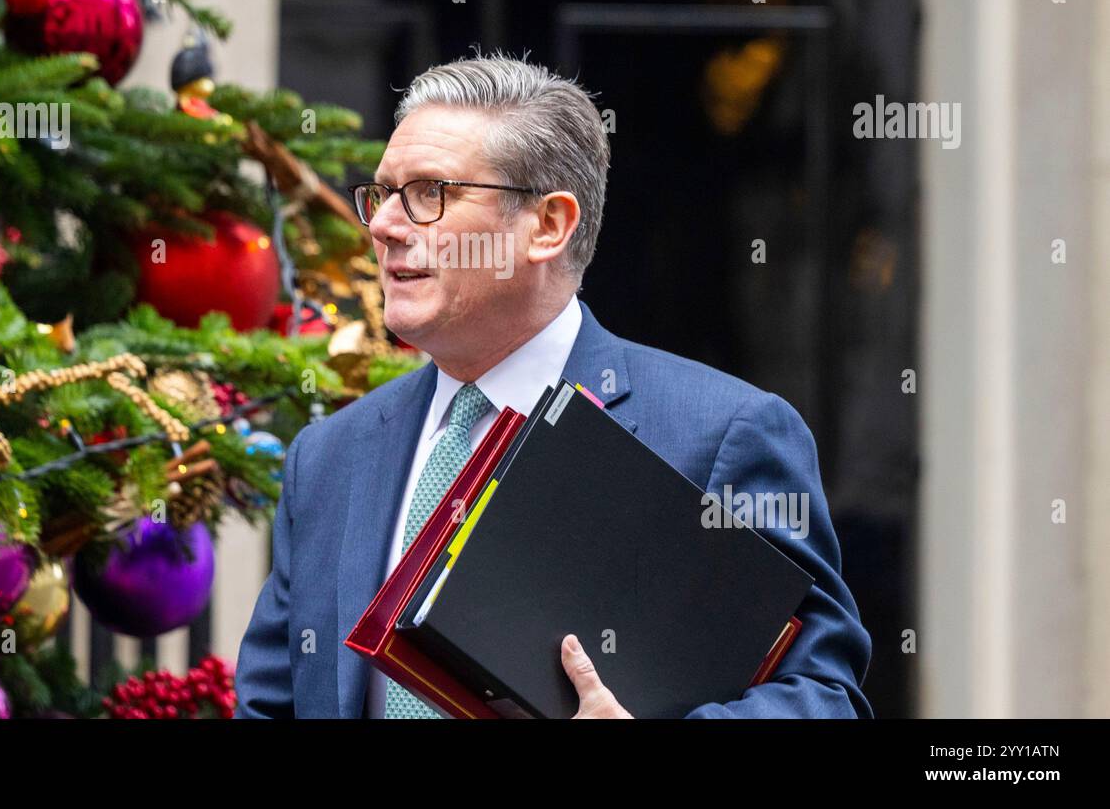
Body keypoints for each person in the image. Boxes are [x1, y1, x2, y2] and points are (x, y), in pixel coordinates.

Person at [234, 52, 873, 719]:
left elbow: (824, 701)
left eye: (429, 194)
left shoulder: (723, 435)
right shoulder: (329, 457)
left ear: (547, 226)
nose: (384, 226)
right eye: (383, 193)